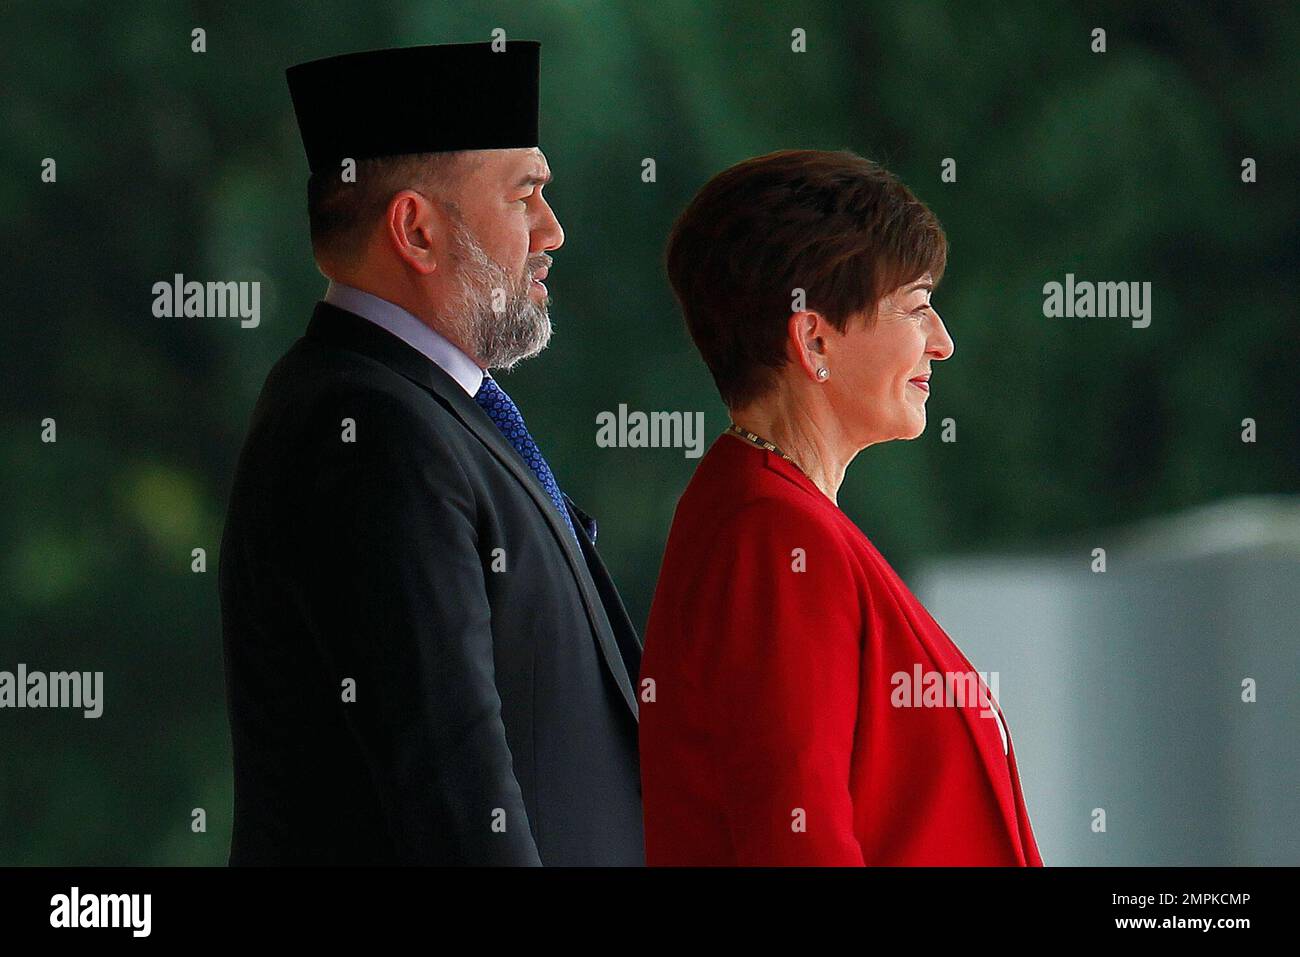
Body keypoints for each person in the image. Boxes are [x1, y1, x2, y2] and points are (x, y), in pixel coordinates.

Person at [219, 41, 644, 865]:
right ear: (416, 229)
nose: (552, 230)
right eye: (524, 196)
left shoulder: (418, 409)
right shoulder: (367, 429)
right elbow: (455, 800)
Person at [639, 149, 1044, 865]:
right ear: (815, 339)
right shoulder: (774, 535)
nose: (942, 343)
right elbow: (800, 841)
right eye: (916, 307)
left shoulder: (772, 514)